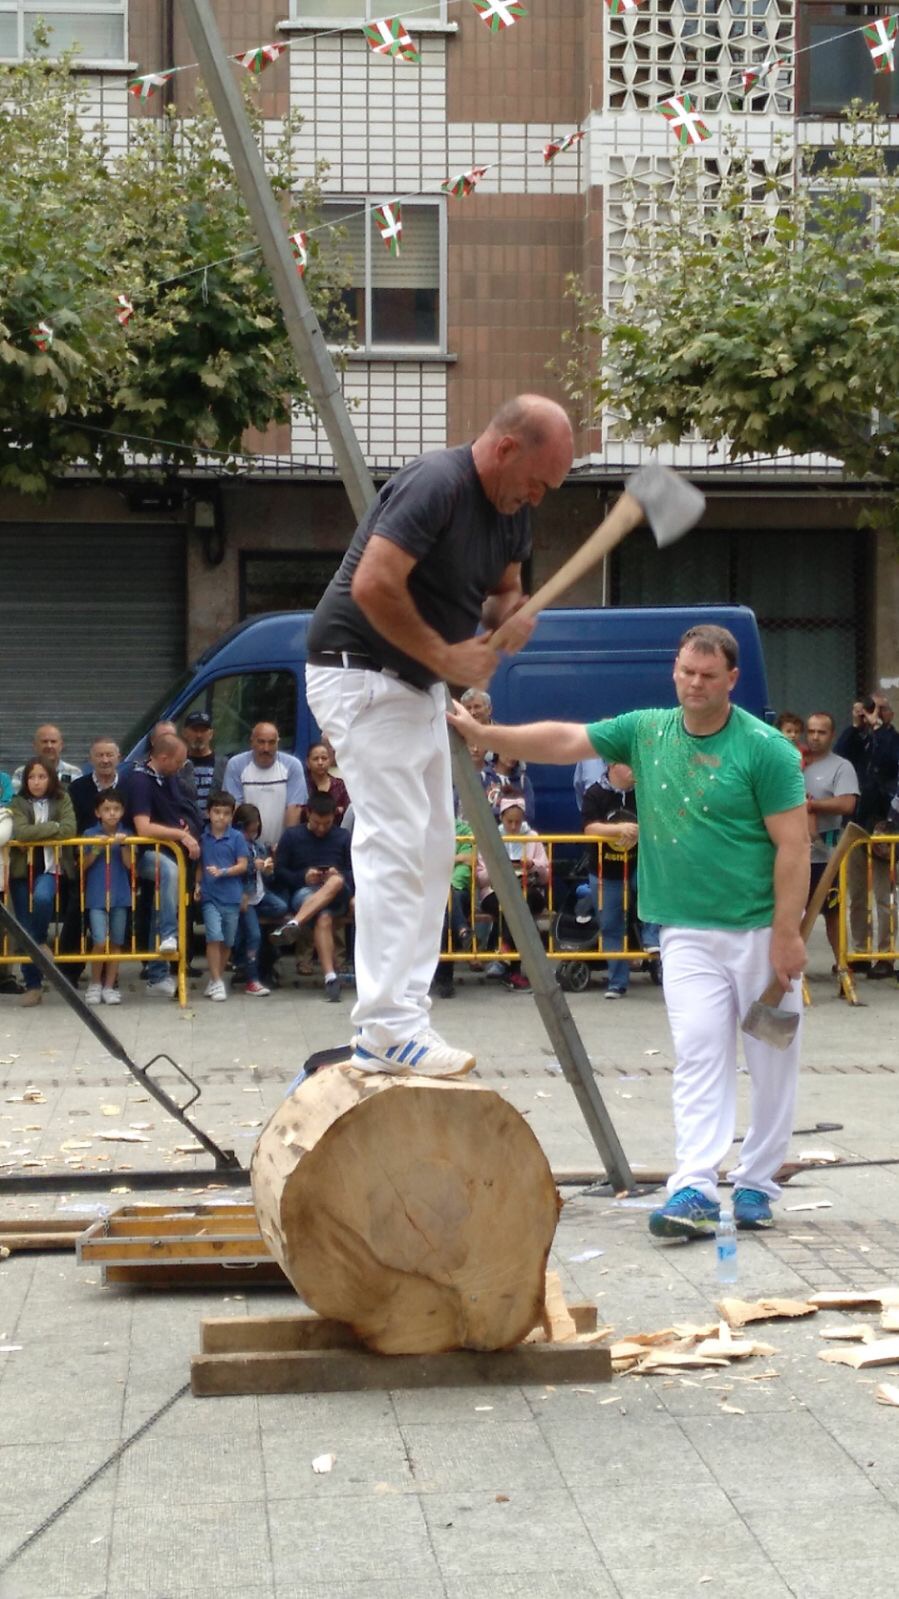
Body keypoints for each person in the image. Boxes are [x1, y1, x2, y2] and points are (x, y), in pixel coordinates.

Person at [448, 622, 809, 1238]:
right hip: (684, 930)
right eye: (687, 673)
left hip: (755, 930)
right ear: (675, 670)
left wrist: (787, 933)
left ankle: (756, 1183)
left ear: (732, 679)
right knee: (699, 1053)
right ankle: (694, 1184)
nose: (695, 685)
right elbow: (565, 739)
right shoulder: (646, 730)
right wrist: (486, 734)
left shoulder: (765, 749)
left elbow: (794, 846)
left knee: (771, 1058)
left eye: (709, 676)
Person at [305, 392, 574, 1074]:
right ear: (507, 449)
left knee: (431, 847)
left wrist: (512, 615)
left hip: (415, 684)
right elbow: (373, 584)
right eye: (537, 482)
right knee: (395, 839)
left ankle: (402, 1019)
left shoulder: (510, 515)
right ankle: (385, 1025)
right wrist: (448, 655)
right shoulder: (437, 484)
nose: (537, 498)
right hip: (362, 671)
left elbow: (505, 589)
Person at [129, 733, 201, 997]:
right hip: (141, 852)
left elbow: (176, 812)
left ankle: (158, 975)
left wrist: (184, 826)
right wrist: (181, 835)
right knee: (168, 873)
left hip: (167, 849)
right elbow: (143, 826)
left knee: (163, 905)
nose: (182, 766)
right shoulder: (139, 780)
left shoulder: (169, 778)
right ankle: (169, 936)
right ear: (162, 758)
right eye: (179, 761)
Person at [582, 761, 660, 999]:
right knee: (610, 925)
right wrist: (618, 830)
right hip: (605, 870)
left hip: (640, 864)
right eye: (629, 763)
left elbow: (659, 821)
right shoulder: (594, 793)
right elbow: (589, 829)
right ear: (613, 765)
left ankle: (651, 939)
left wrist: (638, 829)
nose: (636, 768)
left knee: (651, 891)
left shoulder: (645, 790)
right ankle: (617, 982)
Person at [834, 694, 899, 976]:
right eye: (868, 710)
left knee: (884, 895)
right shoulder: (856, 740)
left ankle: (884, 954)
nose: (872, 714)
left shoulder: (891, 739)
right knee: (856, 893)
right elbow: (839, 754)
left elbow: (889, 761)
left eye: (880, 709)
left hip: (885, 824)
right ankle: (859, 951)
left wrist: (879, 729)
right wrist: (855, 726)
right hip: (856, 823)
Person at [271, 793, 354, 1002]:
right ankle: (330, 977)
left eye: (326, 823)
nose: (321, 828)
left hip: (338, 893)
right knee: (323, 918)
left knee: (334, 882)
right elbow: (280, 872)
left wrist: (337, 874)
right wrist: (304, 876)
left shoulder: (343, 836)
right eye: (317, 823)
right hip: (305, 893)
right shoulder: (292, 836)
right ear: (308, 814)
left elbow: (355, 872)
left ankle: (295, 923)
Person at [9, 757, 77, 1007]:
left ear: (51, 778)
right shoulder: (18, 802)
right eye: (31, 777)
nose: (36, 782)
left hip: (50, 867)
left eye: (41, 777)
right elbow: (21, 832)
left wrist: (48, 828)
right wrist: (53, 827)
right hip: (20, 871)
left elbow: (70, 829)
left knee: (43, 898)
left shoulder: (62, 799)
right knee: (24, 924)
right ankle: (33, 985)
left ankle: (38, 942)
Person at [803, 712, 858, 969]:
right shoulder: (794, 762)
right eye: (811, 731)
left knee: (832, 913)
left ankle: (843, 968)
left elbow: (847, 803)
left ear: (832, 735)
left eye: (821, 732)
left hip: (826, 855)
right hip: (794, 853)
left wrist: (813, 806)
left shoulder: (841, 766)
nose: (815, 737)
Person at [478, 794, 549, 992]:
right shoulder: (490, 837)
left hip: (528, 889)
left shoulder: (532, 837)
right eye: (509, 821)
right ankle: (515, 971)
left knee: (519, 904)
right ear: (501, 818)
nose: (514, 826)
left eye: (518, 822)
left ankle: (506, 949)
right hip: (495, 892)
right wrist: (497, 870)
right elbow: (480, 878)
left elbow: (546, 874)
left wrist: (533, 865)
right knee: (513, 907)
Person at [81, 789, 133, 1006]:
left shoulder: (127, 834)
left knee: (117, 942)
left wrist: (121, 845)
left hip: (120, 895)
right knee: (100, 940)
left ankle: (110, 986)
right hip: (96, 896)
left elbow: (132, 866)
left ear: (122, 811)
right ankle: (94, 983)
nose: (111, 813)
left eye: (116, 809)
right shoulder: (89, 834)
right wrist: (96, 847)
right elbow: (82, 865)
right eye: (107, 809)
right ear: (97, 812)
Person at [195, 790, 248, 1002]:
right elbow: (200, 865)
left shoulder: (236, 838)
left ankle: (215, 977)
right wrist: (197, 885)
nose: (221, 817)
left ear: (232, 815)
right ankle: (217, 980)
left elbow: (243, 864)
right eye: (216, 812)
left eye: (226, 813)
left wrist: (224, 871)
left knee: (227, 940)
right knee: (213, 936)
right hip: (210, 896)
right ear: (209, 813)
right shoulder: (203, 837)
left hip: (232, 896)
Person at [223, 723, 307, 853]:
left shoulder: (293, 765)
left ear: (278, 743)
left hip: (280, 846)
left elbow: (294, 808)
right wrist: (245, 846)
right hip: (245, 847)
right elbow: (234, 808)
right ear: (252, 742)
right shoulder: (236, 765)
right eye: (261, 742)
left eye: (271, 743)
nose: (266, 748)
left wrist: (284, 846)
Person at [232, 802, 286, 996]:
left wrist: (269, 869)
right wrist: (253, 866)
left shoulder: (259, 846)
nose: (251, 835)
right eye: (249, 831)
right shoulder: (235, 845)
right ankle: (252, 978)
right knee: (254, 935)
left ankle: (253, 959)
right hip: (246, 898)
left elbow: (267, 877)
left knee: (281, 908)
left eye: (255, 831)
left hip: (261, 895)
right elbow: (238, 870)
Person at [69, 738, 127, 835]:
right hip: (87, 848)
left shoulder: (130, 785)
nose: (105, 760)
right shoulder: (77, 788)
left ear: (118, 758)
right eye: (100, 755)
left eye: (109, 755)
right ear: (90, 759)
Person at [181, 711, 227, 815]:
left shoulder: (224, 765)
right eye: (194, 730)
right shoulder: (177, 764)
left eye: (203, 730)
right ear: (184, 733)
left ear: (211, 734)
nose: (199, 735)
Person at [12, 725, 82, 793]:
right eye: (44, 742)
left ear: (61, 745)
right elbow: (17, 801)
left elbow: (77, 801)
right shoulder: (21, 773)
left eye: (53, 741)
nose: (49, 746)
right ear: (35, 745)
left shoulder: (74, 772)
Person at [302, 740, 350, 826]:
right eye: (315, 759)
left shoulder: (340, 785)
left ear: (330, 761)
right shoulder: (302, 785)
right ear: (308, 762)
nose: (320, 762)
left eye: (324, 758)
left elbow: (347, 811)